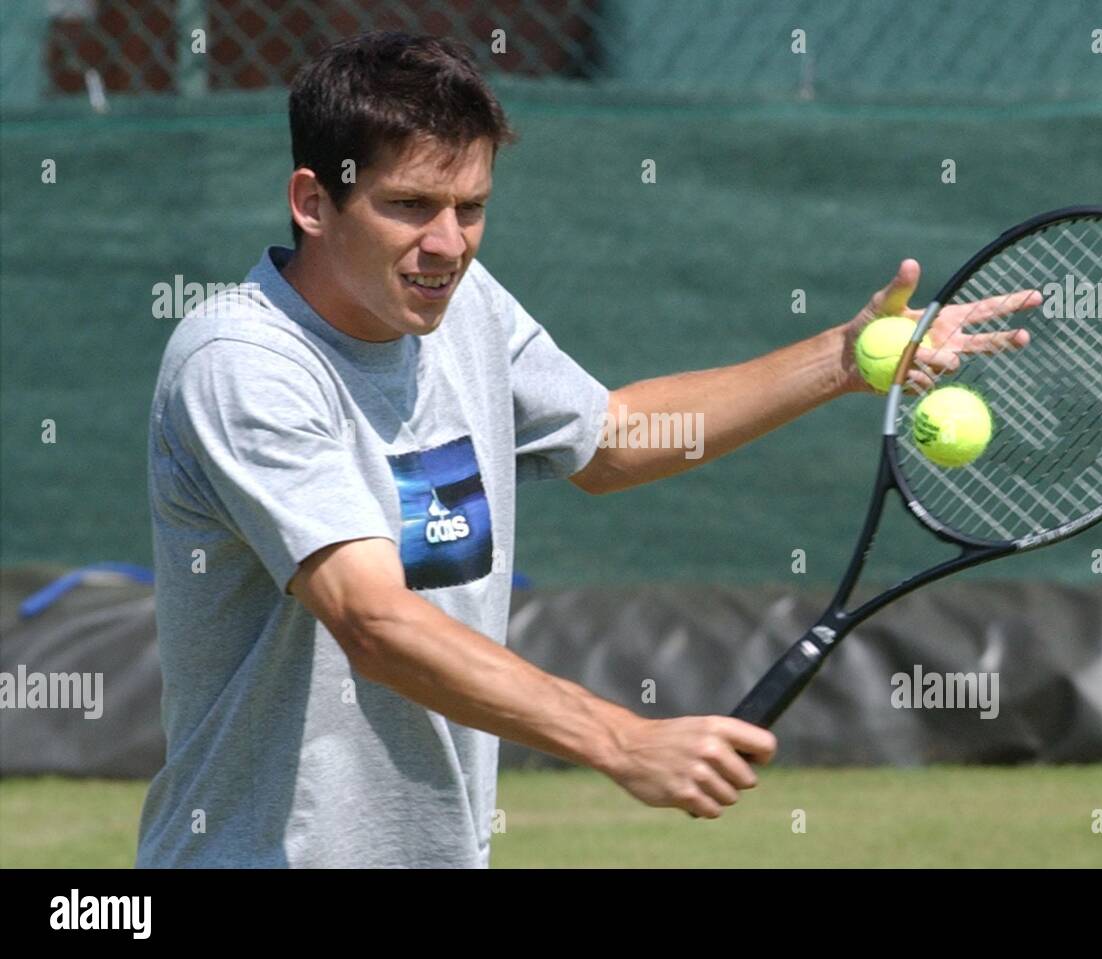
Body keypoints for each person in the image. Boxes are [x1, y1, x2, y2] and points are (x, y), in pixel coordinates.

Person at [136, 32, 1031, 868]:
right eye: (409, 206)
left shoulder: (465, 305)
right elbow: (373, 622)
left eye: (471, 208)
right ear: (313, 202)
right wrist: (623, 738)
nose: (446, 244)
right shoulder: (242, 364)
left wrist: (840, 359)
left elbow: (612, 440)